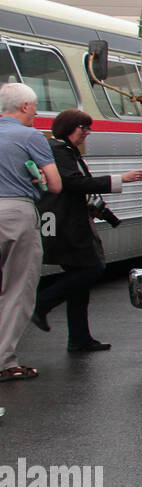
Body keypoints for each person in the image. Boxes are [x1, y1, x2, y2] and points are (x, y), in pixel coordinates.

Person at [32, 110, 142, 352]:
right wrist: (119, 179)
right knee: (92, 270)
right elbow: (74, 183)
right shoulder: (59, 150)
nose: (88, 133)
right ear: (72, 127)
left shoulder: (66, 150)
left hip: (73, 222)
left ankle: (79, 339)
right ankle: (41, 305)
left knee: (80, 285)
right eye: (85, 128)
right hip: (66, 225)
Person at [0, 83, 63, 380]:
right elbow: (55, 184)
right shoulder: (31, 136)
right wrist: (34, 180)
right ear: (24, 106)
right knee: (17, 289)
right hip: (16, 213)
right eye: (35, 107)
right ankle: (4, 361)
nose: (36, 113)